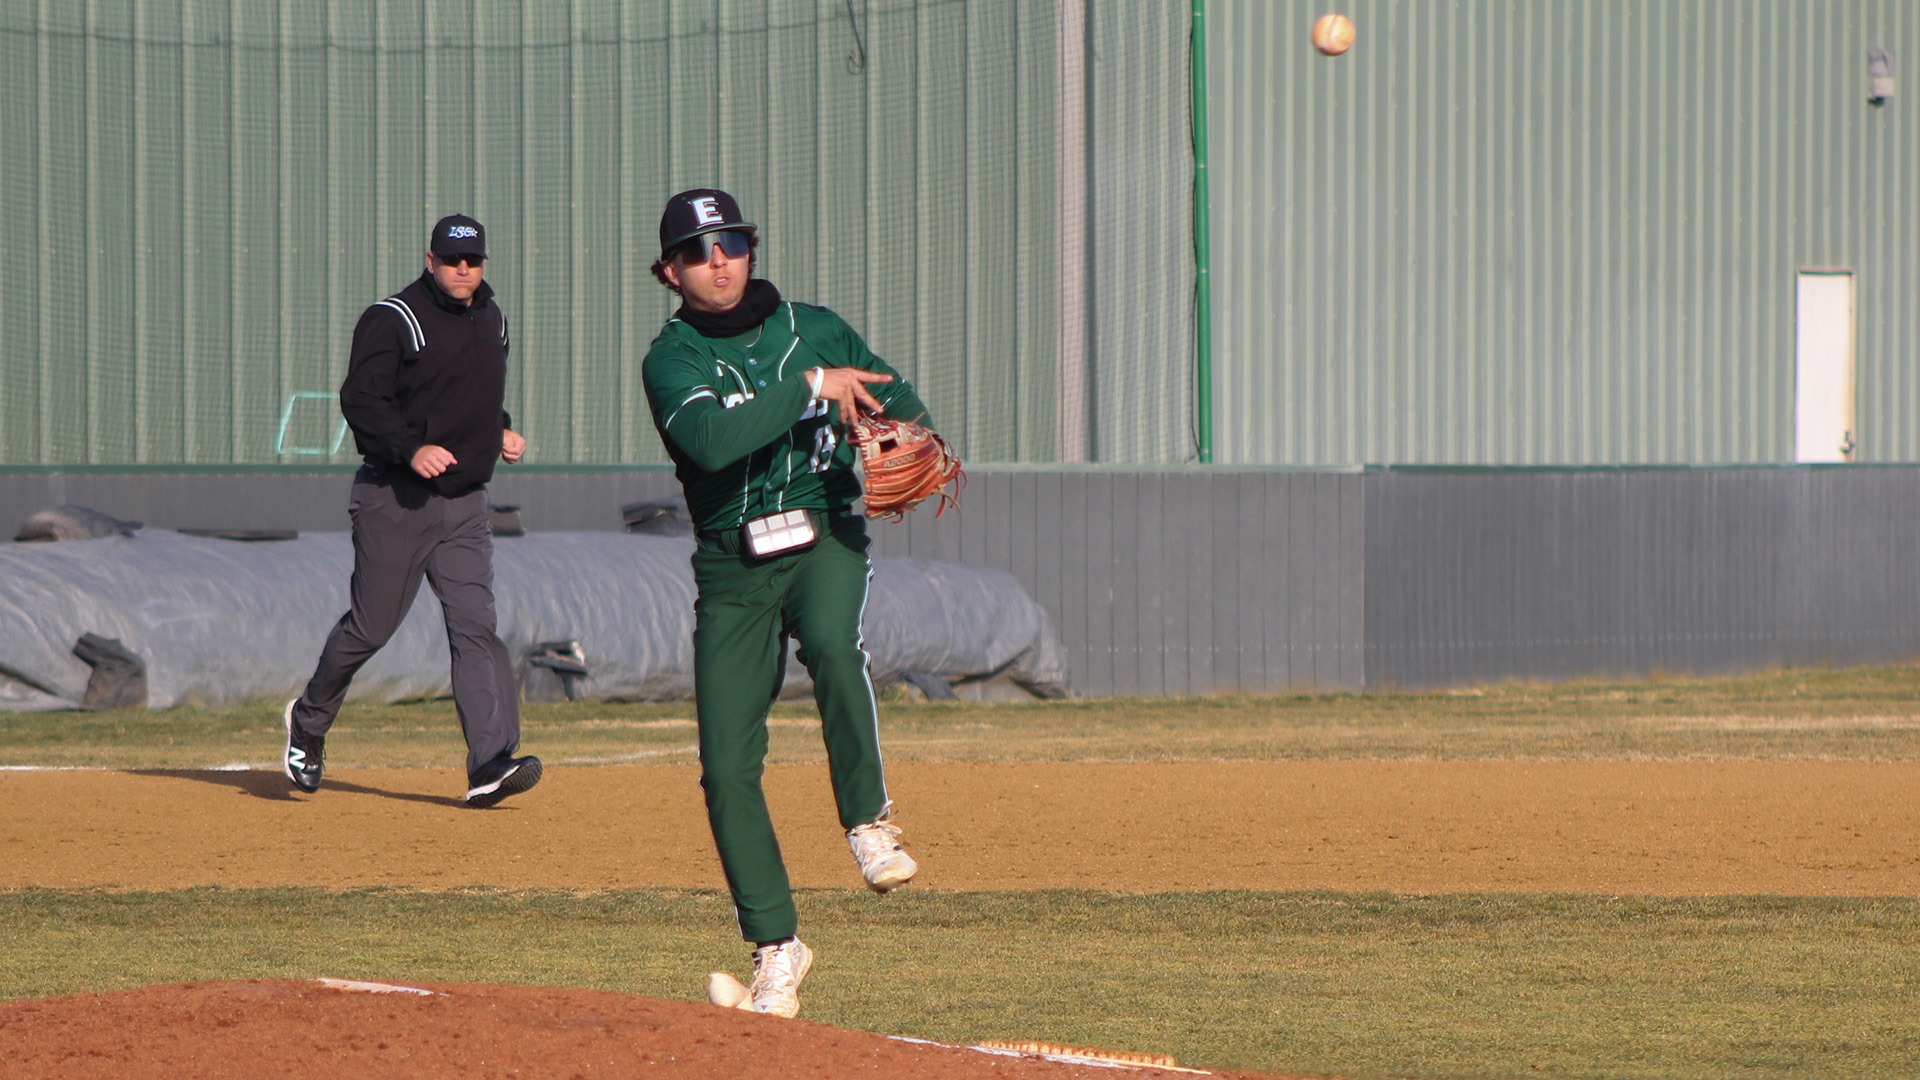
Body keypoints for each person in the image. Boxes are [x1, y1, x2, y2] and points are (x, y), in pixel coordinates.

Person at [641, 189, 929, 1018]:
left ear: (750, 249)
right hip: (734, 563)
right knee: (726, 768)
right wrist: (809, 387)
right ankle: (777, 948)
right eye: (698, 251)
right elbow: (712, 440)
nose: (718, 259)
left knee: (835, 646)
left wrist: (914, 441)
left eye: (730, 240)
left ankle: (869, 822)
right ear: (671, 271)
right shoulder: (673, 360)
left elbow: (899, 404)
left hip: (826, 533)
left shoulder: (818, 327)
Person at [283, 213, 541, 810]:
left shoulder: (492, 319)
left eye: (472, 260)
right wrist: (409, 448)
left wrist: (499, 430)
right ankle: (310, 721)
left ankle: (489, 762)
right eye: (451, 259)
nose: (462, 269)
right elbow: (362, 400)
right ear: (429, 261)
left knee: (476, 627)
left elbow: (465, 395)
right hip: (397, 500)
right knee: (371, 627)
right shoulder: (394, 319)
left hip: (466, 504)